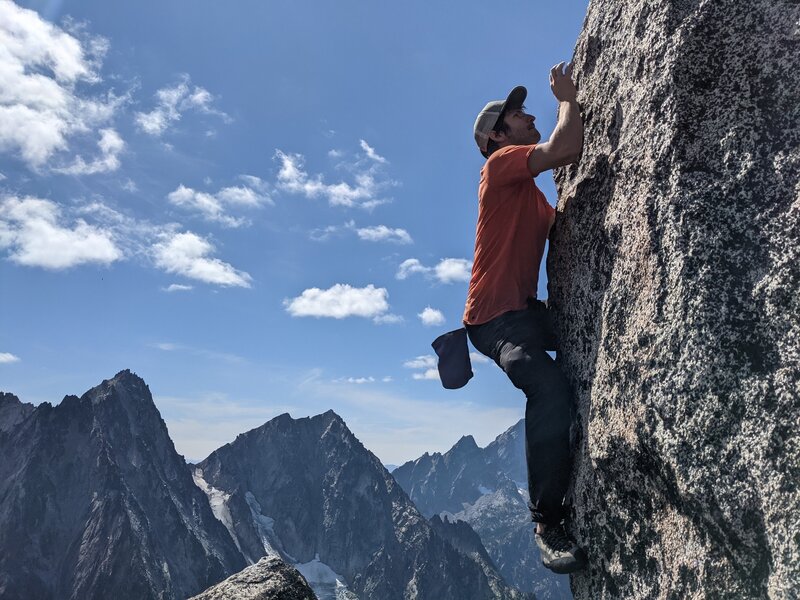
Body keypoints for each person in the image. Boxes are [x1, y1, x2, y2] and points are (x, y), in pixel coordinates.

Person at [463, 62, 586, 574]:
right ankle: (547, 523)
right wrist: (567, 98)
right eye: (517, 114)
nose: (529, 114)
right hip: (493, 320)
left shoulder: (528, 196)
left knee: (586, 335)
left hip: (524, 311)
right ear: (497, 136)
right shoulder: (499, 166)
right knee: (549, 389)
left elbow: (558, 225)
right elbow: (563, 149)